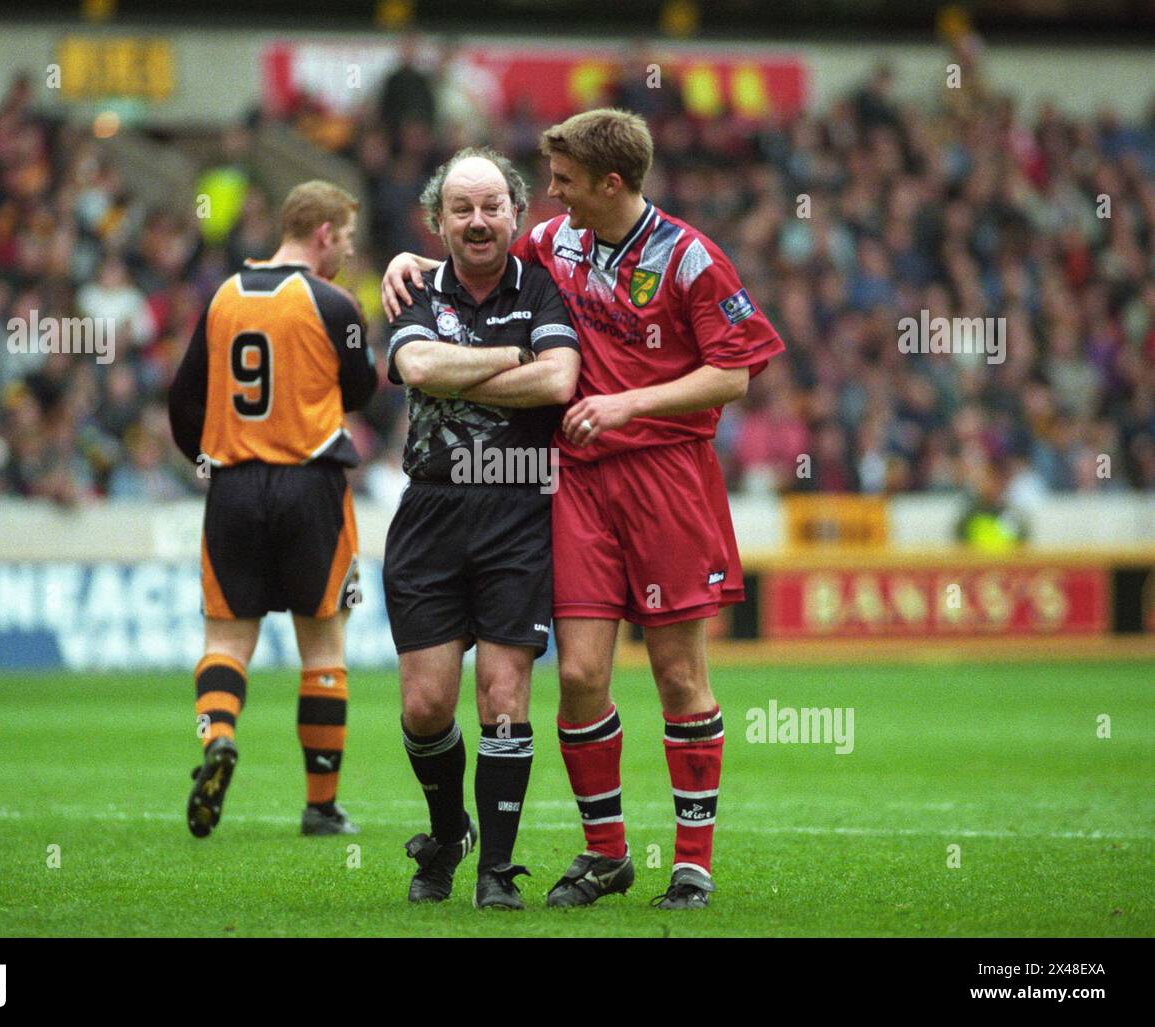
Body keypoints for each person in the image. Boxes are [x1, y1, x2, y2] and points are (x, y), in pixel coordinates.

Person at [382, 109, 785, 909]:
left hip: (666, 474)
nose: (548, 195)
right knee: (576, 673)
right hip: (576, 483)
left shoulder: (690, 257)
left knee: (677, 673)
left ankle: (693, 862)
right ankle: (607, 852)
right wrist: (410, 259)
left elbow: (734, 374)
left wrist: (631, 405)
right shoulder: (556, 242)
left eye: (562, 181)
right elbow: (476, 261)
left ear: (610, 183)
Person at [385, 148, 579, 909]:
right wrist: (510, 358)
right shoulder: (410, 286)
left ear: (515, 214)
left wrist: (458, 360)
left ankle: (496, 869)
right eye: (461, 208)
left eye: (492, 205)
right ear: (437, 221)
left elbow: (560, 381)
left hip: (518, 507)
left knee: (505, 692)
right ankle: (448, 832)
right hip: (431, 511)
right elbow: (417, 371)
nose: (477, 221)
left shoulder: (543, 288)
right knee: (426, 706)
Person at [168, 180, 377, 840]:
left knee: (228, 638)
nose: (346, 249)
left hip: (232, 486)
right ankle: (320, 805)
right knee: (322, 643)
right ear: (322, 234)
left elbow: (182, 400)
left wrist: (210, 456)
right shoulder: (333, 302)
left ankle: (219, 738)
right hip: (310, 484)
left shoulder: (222, 297)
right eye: (344, 238)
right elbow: (364, 390)